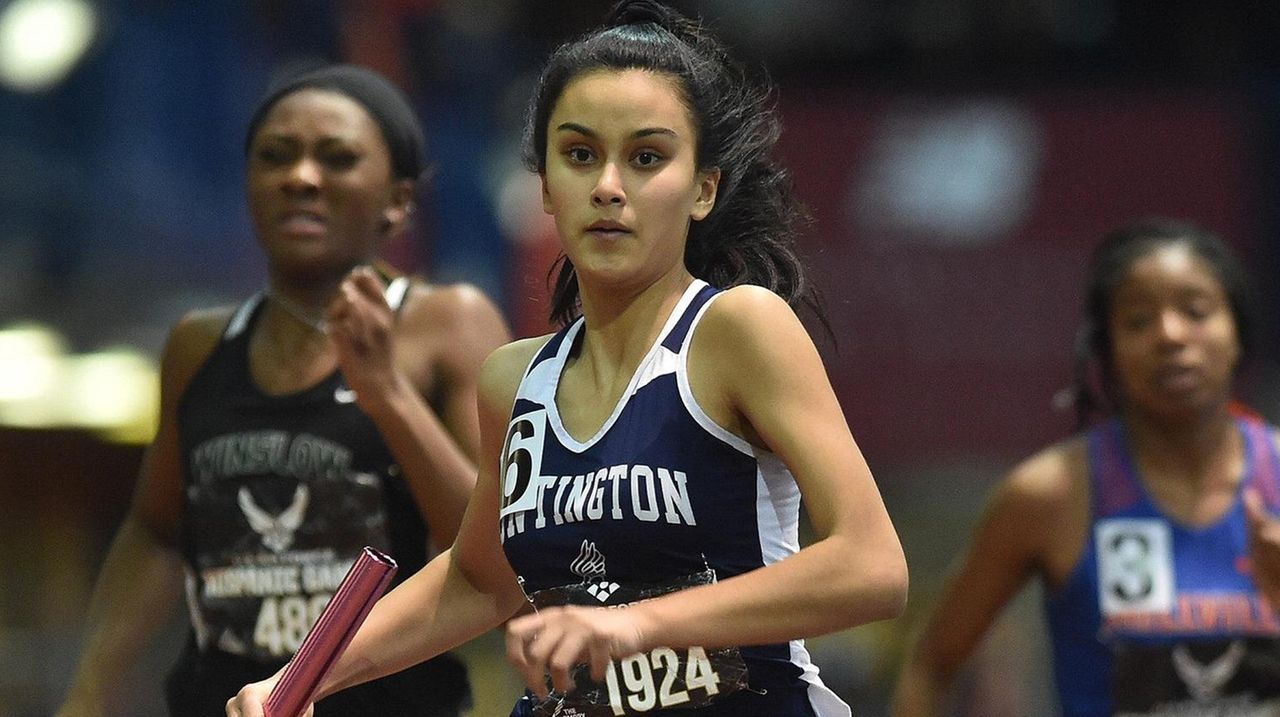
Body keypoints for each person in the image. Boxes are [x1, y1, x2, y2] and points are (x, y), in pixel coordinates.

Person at [226, 2, 908, 716]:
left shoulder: (737, 328)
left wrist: (634, 624)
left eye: (646, 157)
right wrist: (303, 677)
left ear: (703, 189)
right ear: (547, 187)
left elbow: (872, 566)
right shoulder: (515, 381)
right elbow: (478, 580)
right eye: (580, 155)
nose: (608, 185)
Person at [55, 64, 510, 717]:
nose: (300, 177)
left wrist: (386, 393)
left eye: (337, 158)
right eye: (275, 156)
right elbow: (155, 531)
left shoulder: (449, 323)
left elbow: (490, 553)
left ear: (398, 200)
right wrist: (87, 693)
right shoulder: (198, 345)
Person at [891, 218, 1280, 717]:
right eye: (1138, 321)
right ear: (1106, 352)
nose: (1170, 335)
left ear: (1238, 332)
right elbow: (932, 667)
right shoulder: (1048, 494)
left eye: (1196, 311)